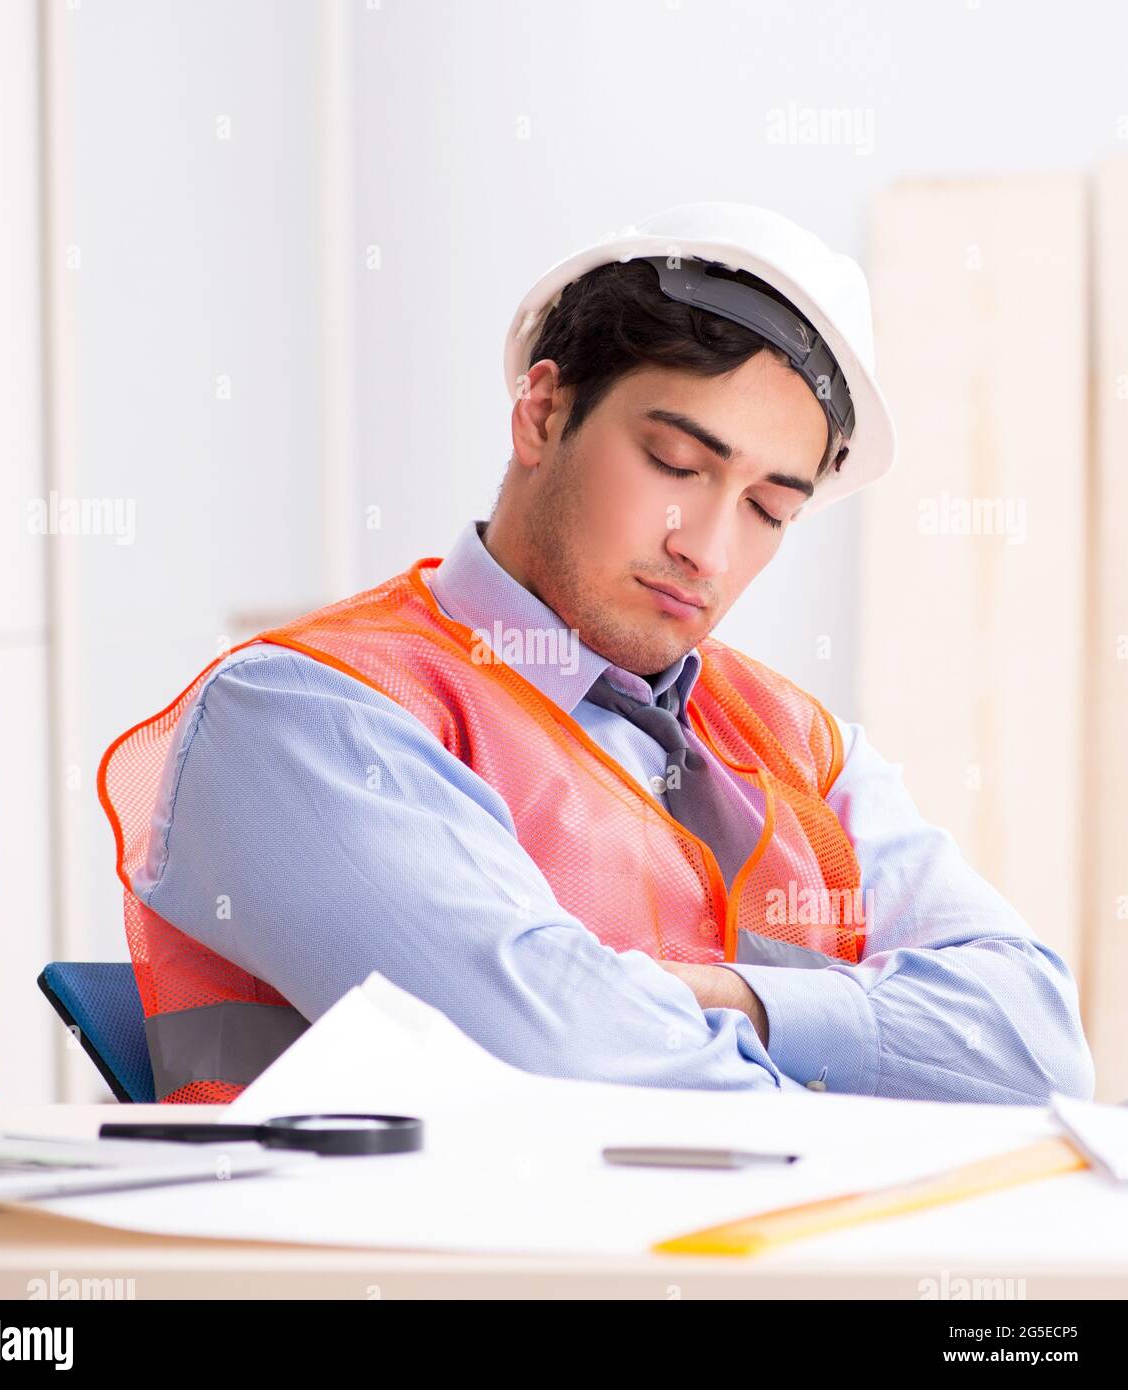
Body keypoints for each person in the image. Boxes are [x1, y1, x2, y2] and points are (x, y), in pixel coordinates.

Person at [100, 202, 1095, 1105]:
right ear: (543, 413)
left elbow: (1040, 1044)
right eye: (676, 464)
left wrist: (736, 1003)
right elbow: (568, 1073)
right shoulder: (307, 714)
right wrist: (874, 1061)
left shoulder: (800, 746)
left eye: (767, 509)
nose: (706, 546)